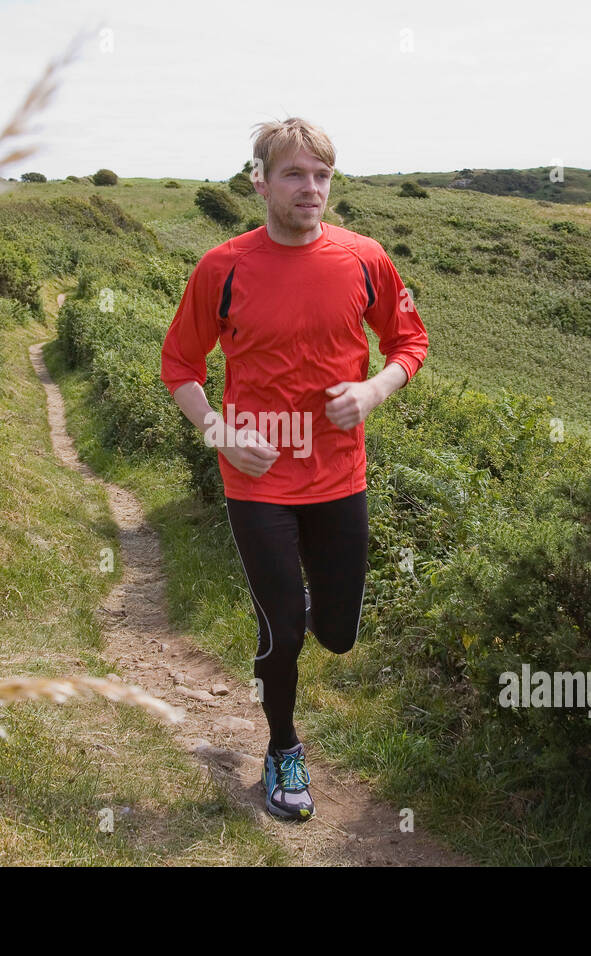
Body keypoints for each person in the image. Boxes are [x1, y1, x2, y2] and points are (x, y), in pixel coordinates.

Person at [159, 117, 428, 822]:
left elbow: (409, 340)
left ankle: (301, 610)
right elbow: (179, 364)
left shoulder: (366, 258)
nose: (311, 189)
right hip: (259, 480)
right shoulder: (223, 267)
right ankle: (283, 747)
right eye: (294, 174)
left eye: (322, 175)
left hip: (340, 475)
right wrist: (218, 432)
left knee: (336, 633)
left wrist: (374, 390)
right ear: (260, 181)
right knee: (281, 629)